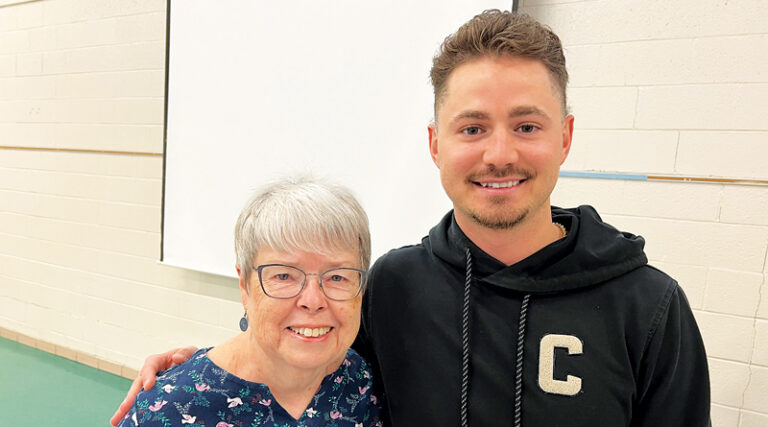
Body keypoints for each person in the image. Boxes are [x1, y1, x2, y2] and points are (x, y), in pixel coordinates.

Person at [112, 10, 710, 427]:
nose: (498, 153)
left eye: (526, 126)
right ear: (434, 144)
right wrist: (194, 369)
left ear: (565, 137)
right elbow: (300, 347)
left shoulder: (649, 307)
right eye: (472, 128)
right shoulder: (394, 286)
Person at [114, 178, 382, 426]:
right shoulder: (167, 410)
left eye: (337, 276)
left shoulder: (361, 382)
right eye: (284, 275)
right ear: (244, 286)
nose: (313, 301)